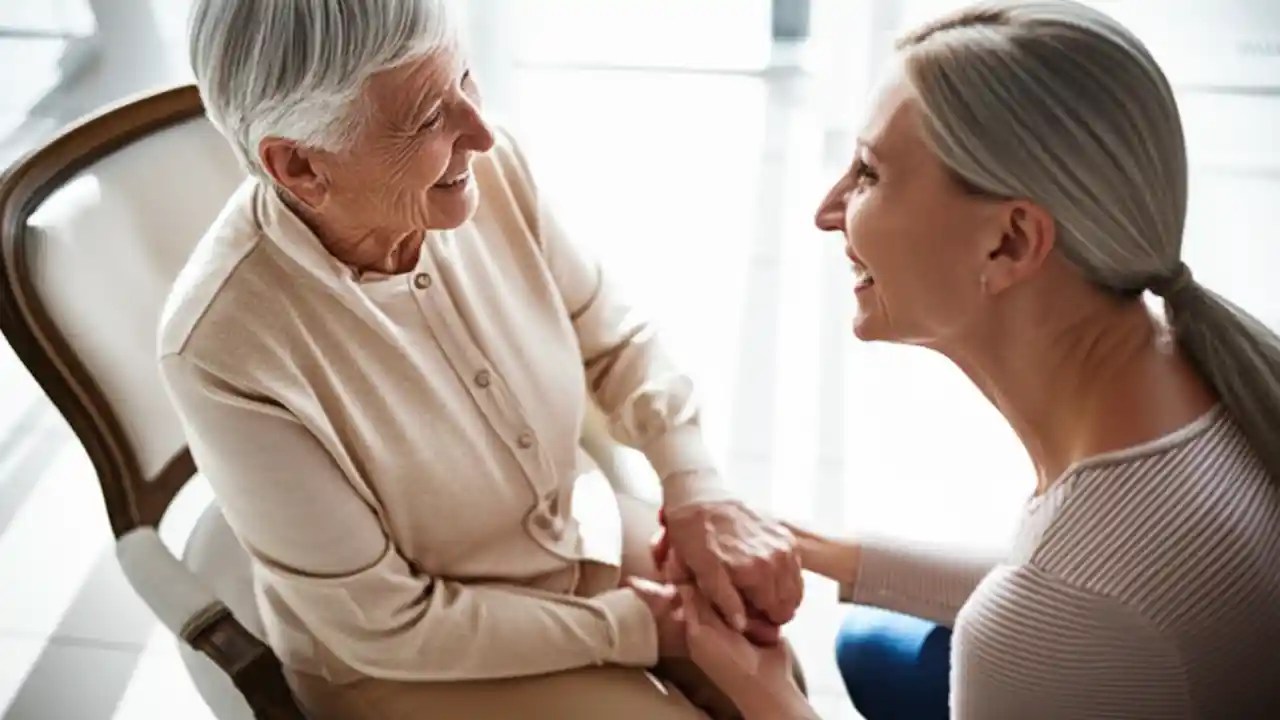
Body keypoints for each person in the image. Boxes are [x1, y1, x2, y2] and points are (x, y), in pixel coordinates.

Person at [161, 1, 802, 718]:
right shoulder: (221, 349)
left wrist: (695, 486)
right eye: (430, 119)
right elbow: (385, 625)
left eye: (466, 76)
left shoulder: (487, 172)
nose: (481, 131)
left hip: (566, 537)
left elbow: (613, 337)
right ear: (301, 166)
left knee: (768, 665)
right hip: (411, 658)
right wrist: (634, 627)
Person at [672, 1, 1280, 718]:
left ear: (1011, 243)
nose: (828, 210)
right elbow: (1078, 599)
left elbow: (1061, 611)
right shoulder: (1193, 375)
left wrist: (760, 688)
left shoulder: (1055, 609)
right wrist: (817, 548)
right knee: (876, 639)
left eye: (867, 173)